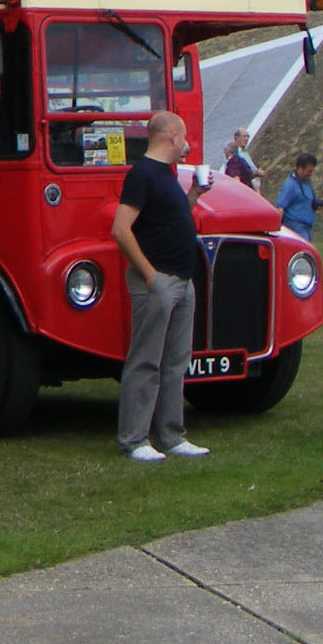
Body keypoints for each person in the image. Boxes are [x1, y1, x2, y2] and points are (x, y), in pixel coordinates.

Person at [109, 110, 212, 462]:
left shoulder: (167, 176)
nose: (186, 144)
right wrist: (150, 276)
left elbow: (171, 217)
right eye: (183, 137)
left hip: (182, 281)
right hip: (158, 282)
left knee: (175, 361)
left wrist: (195, 194)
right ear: (171, 136)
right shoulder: (142, 174)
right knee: (146, 361)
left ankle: (171, 435)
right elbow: (121, 229)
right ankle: (134, 439)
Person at [276, 152, 321, 239]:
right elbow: (280, 208)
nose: (311, 173)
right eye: (309, 171)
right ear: (300, 168)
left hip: (306, 228)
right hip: (295, 228)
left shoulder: (306, 182)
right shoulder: (290, 185)